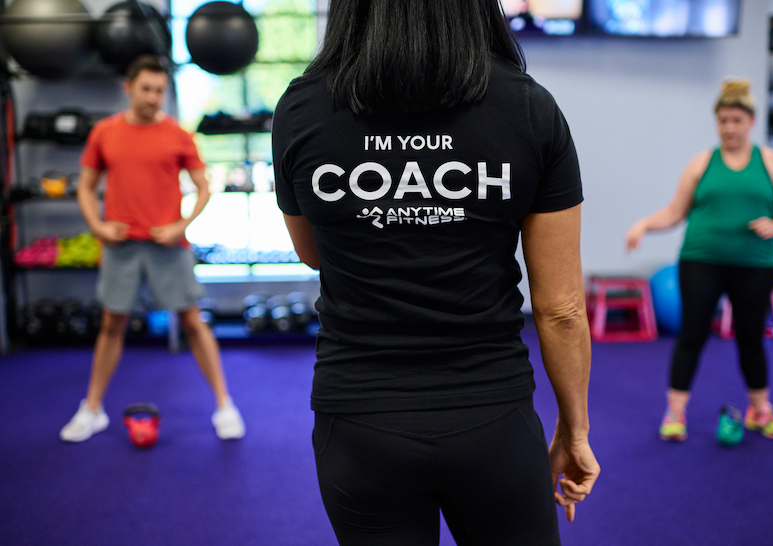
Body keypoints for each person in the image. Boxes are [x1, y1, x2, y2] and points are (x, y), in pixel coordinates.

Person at [273, 1, 599, 544]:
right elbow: (560, 308)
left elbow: (313, 251)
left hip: (359, 425)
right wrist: (575, 428)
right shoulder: (527, 105)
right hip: (492, 420)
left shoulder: (302, 106)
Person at [59, 55, 245, 443]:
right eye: (146, 89)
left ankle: (224, 404)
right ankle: (92, 409)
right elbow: (85, 187)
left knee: (192, 321)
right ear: (128, 88)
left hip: (168, 244)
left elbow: (204, 187)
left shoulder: (178, 135)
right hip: (121, 245)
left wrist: (180, 225)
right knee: (111, 324)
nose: (152, 97)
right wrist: (97, 227)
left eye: (159, 90)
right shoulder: (105, 132)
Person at [625, 78, 773, 442]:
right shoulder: (702, 163)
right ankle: (675, 413)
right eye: (723, 120)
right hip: (701, 261)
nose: (729, 128)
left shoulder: (771, 163)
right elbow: (675, 212)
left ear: (751, 122)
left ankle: (760, 411)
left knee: (751, 338)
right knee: (692, 335)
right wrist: (644, 225)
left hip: (754, 264)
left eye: (737, 120)